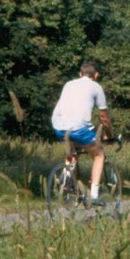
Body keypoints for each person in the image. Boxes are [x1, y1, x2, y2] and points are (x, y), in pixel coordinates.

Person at [51, 61, 115, 205]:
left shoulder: (68, 84)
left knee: (73, 153)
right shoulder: (96, 87)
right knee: (99, 154)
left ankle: (66, 181)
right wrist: (109, 134)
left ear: (80, 74)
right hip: (79, 127)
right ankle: (94, 195)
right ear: (96, 75)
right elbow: (104, 117)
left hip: (58, 126)